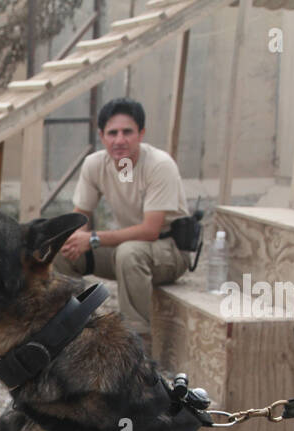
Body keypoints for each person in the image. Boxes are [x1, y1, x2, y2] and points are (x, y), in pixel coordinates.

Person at [52, 97, 190, 339]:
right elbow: (80, 216)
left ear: (141, 134)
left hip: (169, 251)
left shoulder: (159, 165)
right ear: (101, 135)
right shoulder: (94, 164)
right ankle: (73, 331)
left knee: (129, 254)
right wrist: (69, 239)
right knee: (64, 252)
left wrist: (93, 238)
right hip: (126, 247)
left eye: (127, 132)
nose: (119, 140)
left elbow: (151, 230)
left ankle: (137, 343)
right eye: (112, 133)